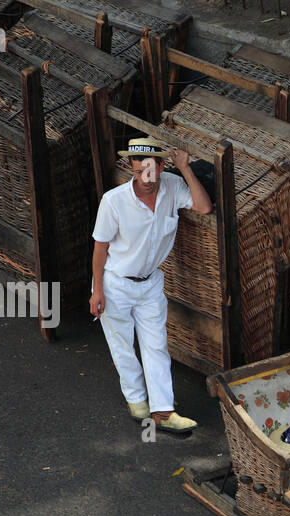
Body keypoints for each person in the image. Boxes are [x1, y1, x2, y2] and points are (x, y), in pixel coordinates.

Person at [90, 137, 213, 434]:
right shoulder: (113, 201)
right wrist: (97, 290)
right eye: (138, 172)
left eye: (151, 171)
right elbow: (100, 247)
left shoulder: (172, 184)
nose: (145, 179)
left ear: (161, 166)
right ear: (131, 169)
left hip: (150, 284)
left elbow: (204, 206)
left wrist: (185, 168)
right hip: (116, 283)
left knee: (156, 345)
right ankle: (136, 401)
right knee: (122, 346)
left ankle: (163, 412)